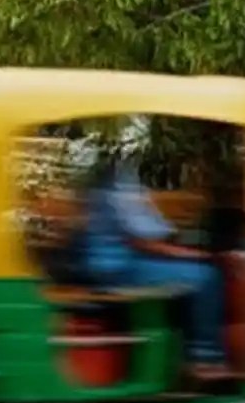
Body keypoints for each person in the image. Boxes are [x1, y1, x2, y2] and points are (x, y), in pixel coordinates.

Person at [79, 117, 232, 380]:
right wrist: (197, 255)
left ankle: (184, 351)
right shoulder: (121, 184)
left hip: (105, 263)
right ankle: (203, 356)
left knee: (190, 272)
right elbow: (146, 242)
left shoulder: (105, 178)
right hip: (116, 268)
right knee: (207, 277)